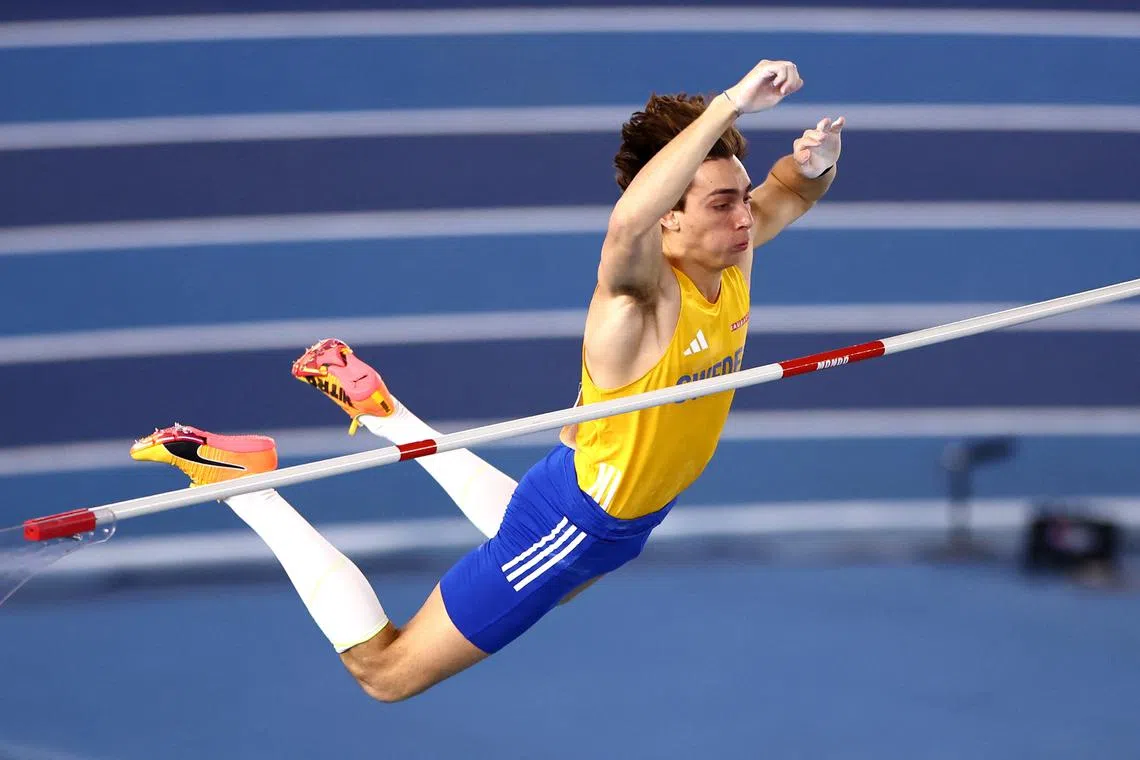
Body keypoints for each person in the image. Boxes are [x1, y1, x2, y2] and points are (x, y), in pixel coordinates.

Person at [129, 58, 844, 702]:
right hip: (582, 520)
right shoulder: (641, 300)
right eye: (720, 203)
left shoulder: (731, 257)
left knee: (548, 573)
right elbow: (628, 223)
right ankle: (242, 483)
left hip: (601, 504)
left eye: (740, 198)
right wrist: (728, 104)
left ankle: (383, 412)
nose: (743, 215)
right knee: (386, 673)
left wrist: (818, 165)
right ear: (670, 225)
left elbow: (790, 191)